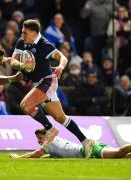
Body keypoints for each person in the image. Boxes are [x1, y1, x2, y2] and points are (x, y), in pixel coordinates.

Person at [8, 19, 94, 158]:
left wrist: (60, 66)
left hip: (48, 81)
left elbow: (63, 58)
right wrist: (23, 66)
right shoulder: (21, 42)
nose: (22, 34)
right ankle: (86, 141)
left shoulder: (44, 45)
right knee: (60, 117)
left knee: (26, 105)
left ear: (35, 33)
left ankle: (50, 129)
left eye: (25, 32)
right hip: (38, 83)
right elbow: (13, 61)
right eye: (22, 31)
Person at [10, 128, 131, 159]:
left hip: (89, 150)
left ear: (46, 135)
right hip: (91, 147)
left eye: (40, 138)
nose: (39, 141)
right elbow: (48, 154)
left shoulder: (48, 143)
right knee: (124, 157)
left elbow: (35, 154)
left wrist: (18, 157)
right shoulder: (53, 142)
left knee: (118, 153)